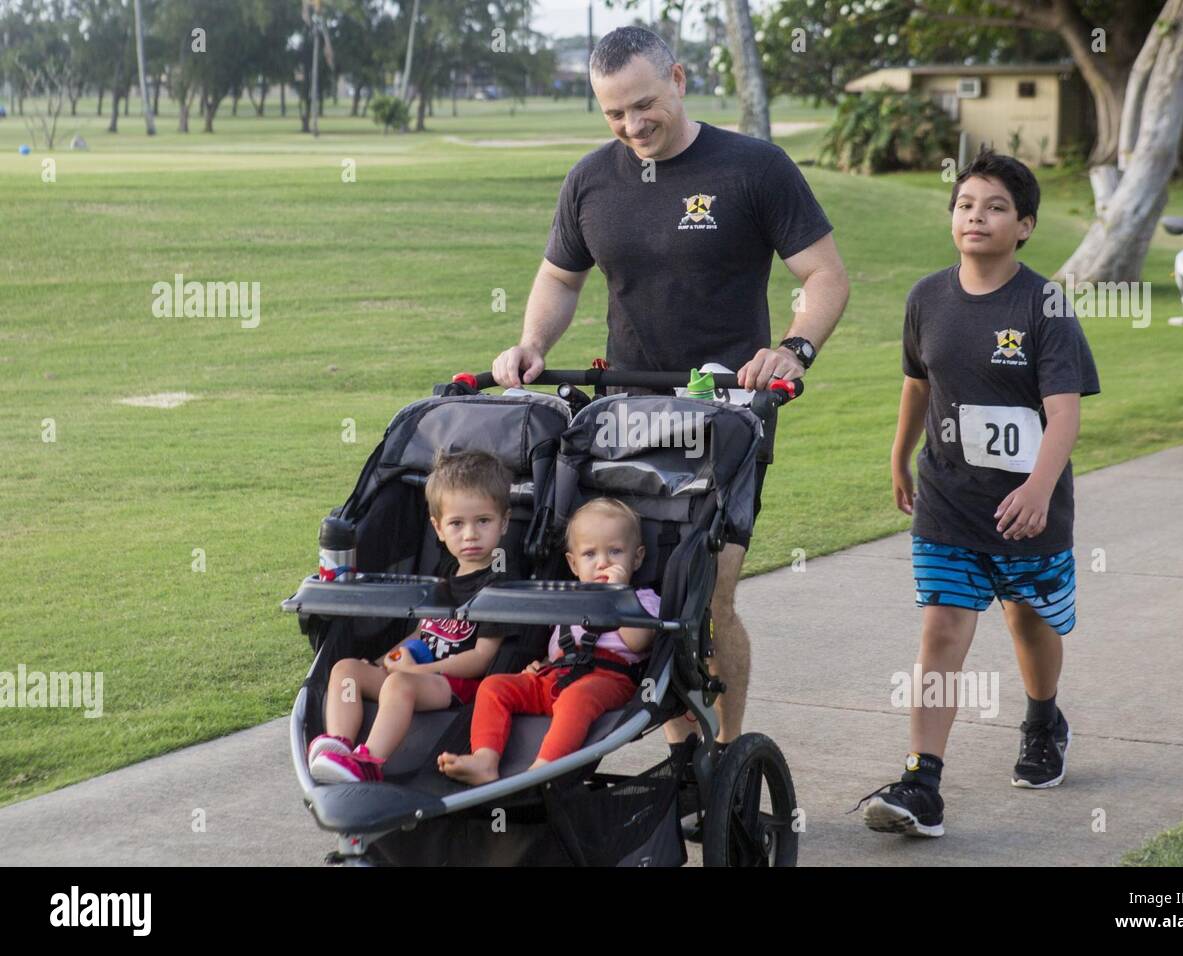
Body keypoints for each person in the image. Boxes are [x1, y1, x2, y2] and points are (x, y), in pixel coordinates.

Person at [489, 26, 849, 759]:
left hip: (727, 421)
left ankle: (725, 757)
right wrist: (532, 343)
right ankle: (683, 746)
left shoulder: (755, 167)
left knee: (707, 597)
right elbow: (561, 276)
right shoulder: (592, 180)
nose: (631, 126)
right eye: (613, 113)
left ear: (679, 78)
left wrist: (792, 349)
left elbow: (825, 276)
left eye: (644, 105)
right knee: (633, 584)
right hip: (625, 419)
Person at [857, 150, 1100, 838]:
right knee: (942, 626)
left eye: (995, 207)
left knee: (1028, 618)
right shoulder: (927, 298)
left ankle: (1043, 715)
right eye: (966, 204)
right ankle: (922, 782)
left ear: (1023, 225)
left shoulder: (1042, 302)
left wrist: (1039, 487)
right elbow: (918, 383)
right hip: (949, 499)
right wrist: (899, 455)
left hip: (1028, 504)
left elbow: (1065, 411)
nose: (976, 217)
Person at [307, 449, 518, 784]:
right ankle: (339, 745)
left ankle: (369, 761)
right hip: (416, 670)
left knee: (400, 683)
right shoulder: (444, 573)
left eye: (483, 521)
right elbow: (423, 632)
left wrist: (415, 670)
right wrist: (385, 660)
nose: (470, 535)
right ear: (438, 528)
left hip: (455, 685)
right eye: (457, 524)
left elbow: (481, 658)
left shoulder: (500, 585)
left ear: (504, 522)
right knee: (346, 669)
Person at [438, 498, 659, 784]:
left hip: (608, 679)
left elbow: (638, 642)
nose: (603, 562)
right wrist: (539, 666)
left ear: (637, 558)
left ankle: (544, 767)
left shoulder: (641, 599)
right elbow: (559, 649)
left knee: (576, 698)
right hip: (556, 674)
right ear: (573, 564)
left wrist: (618, 594)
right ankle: (484, 759)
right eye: (590, 554)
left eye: (615, 552)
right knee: (494, 686)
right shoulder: (566, 601)